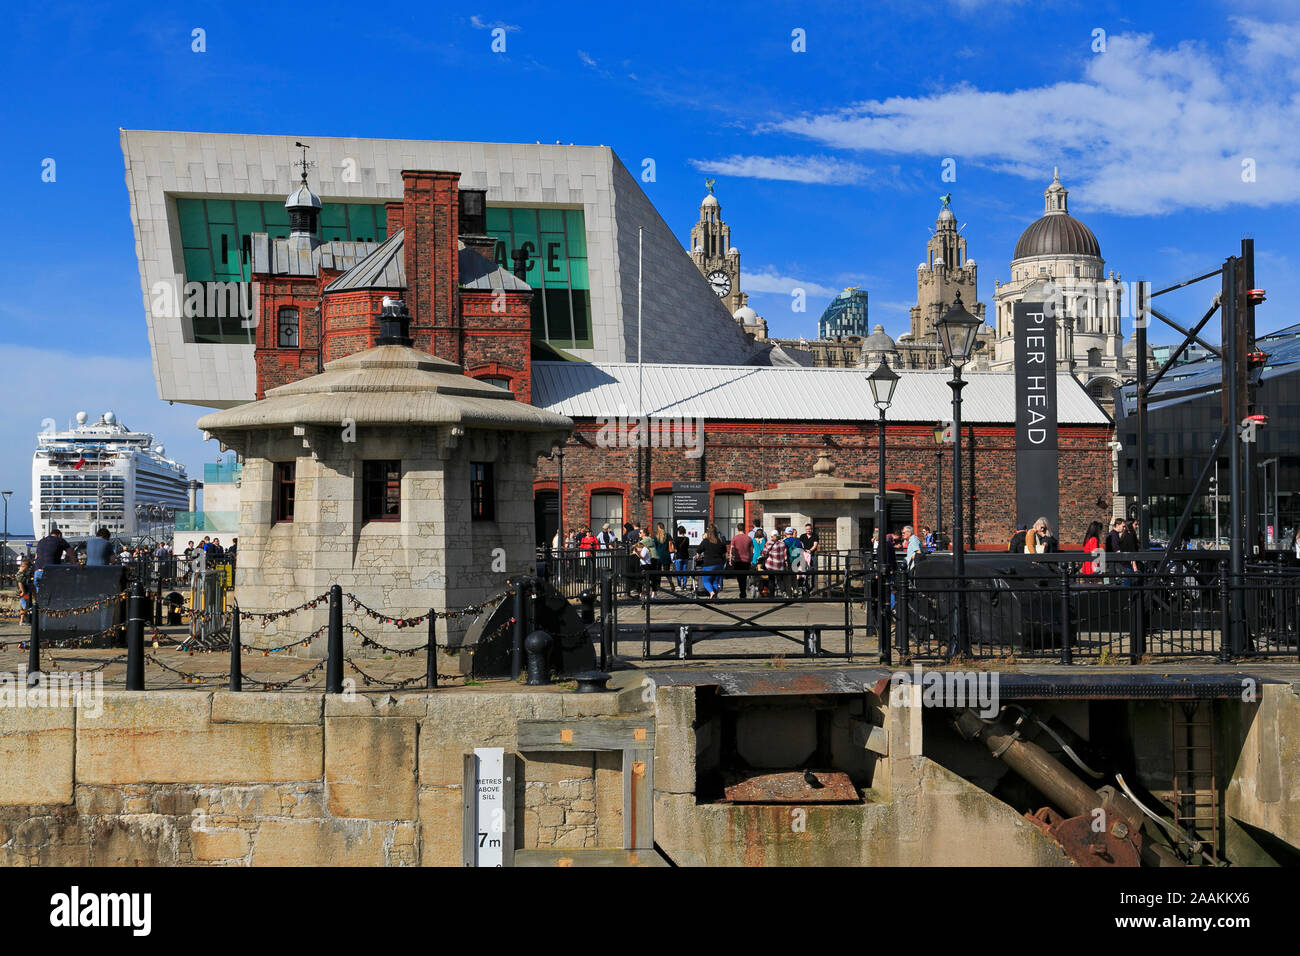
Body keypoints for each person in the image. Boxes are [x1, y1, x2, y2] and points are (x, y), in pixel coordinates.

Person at [756, 525, 790, 597]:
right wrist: (785, 565)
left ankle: (772, 595)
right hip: (780, 566)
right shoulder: (783, 544)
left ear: (772, 536)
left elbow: (764, 553)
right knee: (780, 580)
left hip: (771, 566)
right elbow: (785, 556)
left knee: (771, 580)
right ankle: (783, 591)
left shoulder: (769, 543)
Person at [698, 524, 728, 598]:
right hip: (719, 564)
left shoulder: (705, 541)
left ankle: (711, 592)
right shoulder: (720, 541)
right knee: (715, 582)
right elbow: (725, 553)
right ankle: (715, 598)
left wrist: (699, 556)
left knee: (706, 581)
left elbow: (698, 551)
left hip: (708, 564)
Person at [729, 524, 753, 600]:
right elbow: (751, 551)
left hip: (737, 560)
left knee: (739, 578)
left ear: (737, 529)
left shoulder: (734, 538)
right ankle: (743, 592)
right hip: (746, 560)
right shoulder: (749, 538)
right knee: (744, 577)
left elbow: (732, 550)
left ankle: (742, 592)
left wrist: (730, 559)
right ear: (744, 529)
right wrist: (751, 559)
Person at [799, 523, 820, 593]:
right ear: (805, 529)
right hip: (804, 555)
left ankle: (813, 587)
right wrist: (804, 550)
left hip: (812, 555)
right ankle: (805, 587)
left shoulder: (815, 536)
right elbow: (800, 544)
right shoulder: (802, 536)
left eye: (809, 529)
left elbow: (815, 545)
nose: (808, 530)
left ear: (811, 529)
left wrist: (810, 550)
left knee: (813, 571)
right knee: (804, 571)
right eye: (807, 529)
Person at [671, 525, 691, 591]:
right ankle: (684, 586)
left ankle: (679, 585)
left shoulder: (676, 539)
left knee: (678, 572)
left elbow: (675, 549)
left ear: (678, 531)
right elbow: (687, 547)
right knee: (685, 572)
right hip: (685, 556)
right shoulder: (687, 539)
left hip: (678, 557)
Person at [16, 558, 34, 625]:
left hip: (24, 592)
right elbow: (20, 583)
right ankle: (23, 621)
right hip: (23, 593)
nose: (28, 569)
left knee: (23, 606)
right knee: (25, 606)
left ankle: (22, 620)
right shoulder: (21, 574)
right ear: (25, 566)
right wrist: (23, 591)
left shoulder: (22, 573)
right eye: (28, 567)